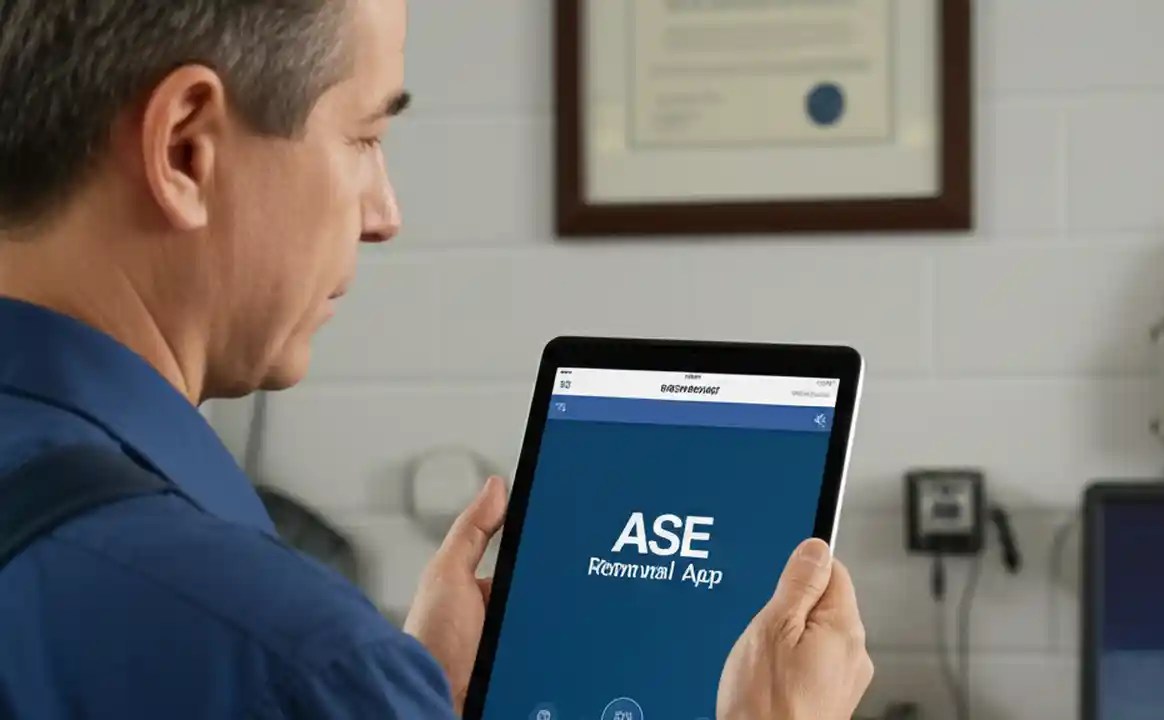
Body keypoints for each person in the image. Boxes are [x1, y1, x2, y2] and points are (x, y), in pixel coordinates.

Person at [0, 1, 874, 718]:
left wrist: (405, 684)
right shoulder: (293, 661)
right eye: (364, 138)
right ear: (186, 147)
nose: (385, 213)